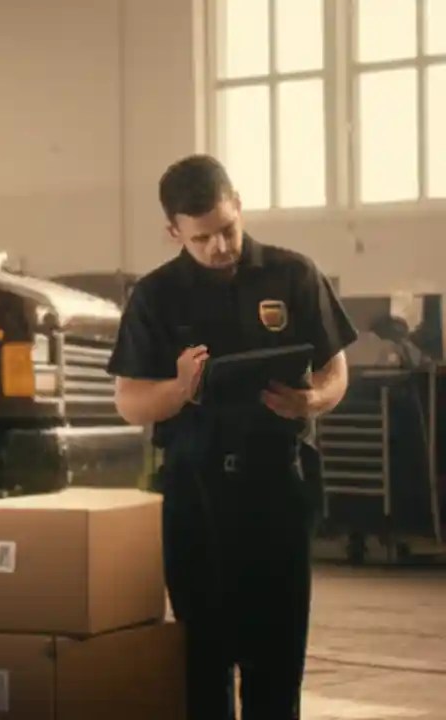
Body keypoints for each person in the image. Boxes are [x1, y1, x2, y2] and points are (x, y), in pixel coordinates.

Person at [107, 154, 357, 719]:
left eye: (227, 229)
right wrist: (179, 388)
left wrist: (313, 400)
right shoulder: (155, 296)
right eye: (202, 238)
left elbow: (335, 370)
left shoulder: (292, 274)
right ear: (174, 231)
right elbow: (129, 401)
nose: (219, 246)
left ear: (238, 205)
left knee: (277, 657)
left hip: (277, 488)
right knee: (203, 657)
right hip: (194, 494)